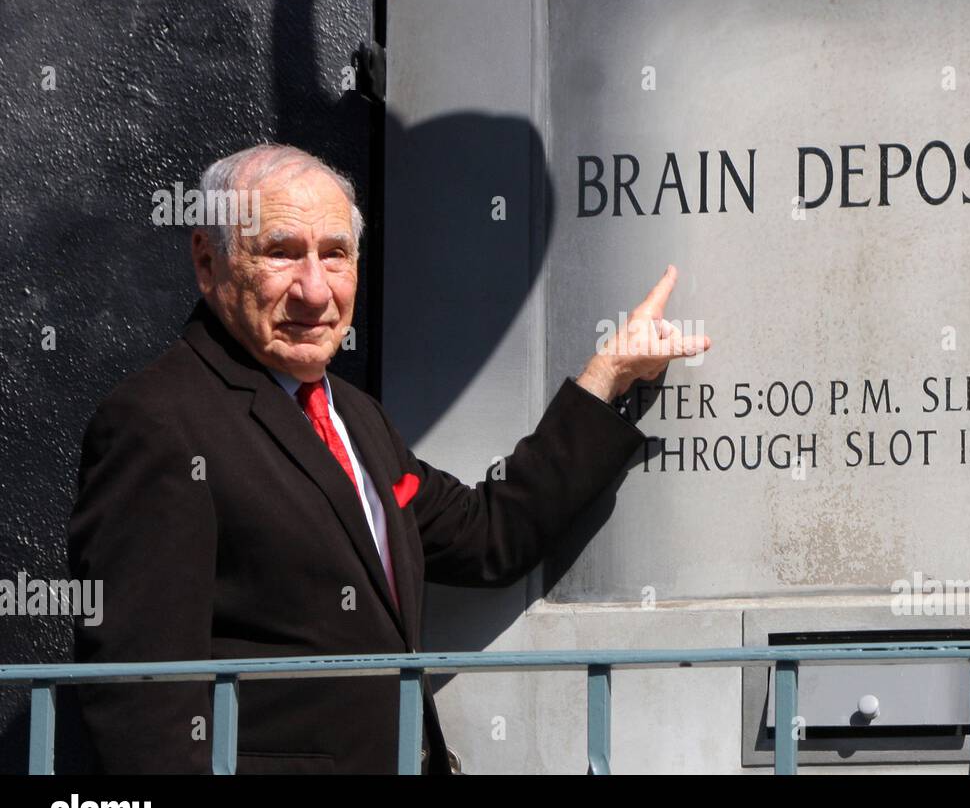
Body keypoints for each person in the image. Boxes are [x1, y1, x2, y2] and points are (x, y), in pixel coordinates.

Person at [67, 143, 710, 773]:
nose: (315, 291)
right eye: (282, 254)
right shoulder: (158, 423)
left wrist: (607, 377)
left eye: (335, 256)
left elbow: (490, 534)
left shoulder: (355, 416)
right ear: (209, 263)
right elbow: (139, 698)